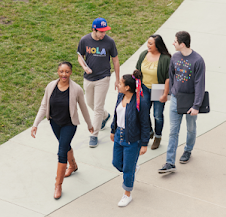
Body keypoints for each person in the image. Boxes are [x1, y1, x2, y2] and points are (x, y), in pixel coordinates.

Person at [31, 62, 94, 199]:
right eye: (61, 71)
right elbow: (43, 106)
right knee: (65, 146)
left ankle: (58, 184)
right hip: (54, 123)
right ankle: (73, 165)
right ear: (58, 72)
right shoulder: (50, 86)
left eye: (67, 72)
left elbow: (83, 108)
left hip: (69, 124)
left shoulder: (76, 89)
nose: (64, 74)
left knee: (61, 151)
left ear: (71, 72)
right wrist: (35, 124)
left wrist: (90, 124)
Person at [158, 31, 206, 174]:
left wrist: (196, 105)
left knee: (191, 128)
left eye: (175, 41)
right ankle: (169, 162)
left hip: (191, 101)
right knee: (173, 132)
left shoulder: (198, 60)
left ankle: (188, 150)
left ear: (182, 44)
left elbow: (200, 84)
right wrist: (172, 92)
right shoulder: (175, 57)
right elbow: (171, 75)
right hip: (176, 100)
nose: (173, 43)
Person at [77, 17, 120, 148]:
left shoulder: (109, 42)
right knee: (90, 103)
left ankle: (94, 135)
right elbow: (80, 56)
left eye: (104, 31)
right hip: (88, 78)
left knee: (98, 107)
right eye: (100, 31)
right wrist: (84, 67)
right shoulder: (84, 40)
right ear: (93, 30)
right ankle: (105, 116)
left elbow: (115, 60)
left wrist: (117, 79)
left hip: (103, 78)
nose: (103, 34)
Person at [110, 69, 150, 207]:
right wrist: (112, 130)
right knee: (116, 163)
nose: (118, 85)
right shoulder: (120, 96)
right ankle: (133, 168)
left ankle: (127, 194)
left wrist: (144, 143)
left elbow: (146, 124)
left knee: (127, 169)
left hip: (132, 140)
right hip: (119, 136)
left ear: (127, 87)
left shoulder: (140, 102)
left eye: (120, 83)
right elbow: (115, 114)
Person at [136, 34, 171, 150]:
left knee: (157, 115)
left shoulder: (165, 59)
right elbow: (137, 69)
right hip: (144, 88)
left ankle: (158, 136)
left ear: (158, 45)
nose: (148, 45)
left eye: (151, 43)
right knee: (143, 112)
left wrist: (165, 94)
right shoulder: (143, 54)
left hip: (158, 88)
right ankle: (149, 131)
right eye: (148, 43)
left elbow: (168, 78)